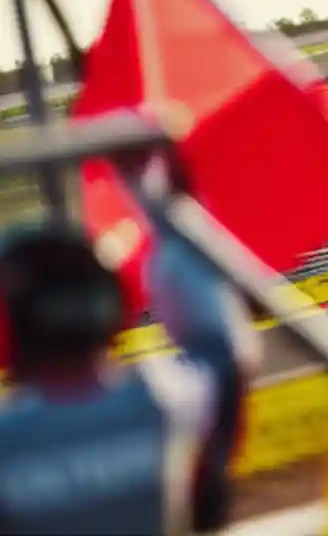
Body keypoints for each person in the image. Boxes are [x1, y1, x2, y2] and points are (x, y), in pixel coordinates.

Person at [0, 193, 261, 534]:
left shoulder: (9, 442)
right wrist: (160, 207)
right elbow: (224, 348)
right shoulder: (167, 401)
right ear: (117, 309)